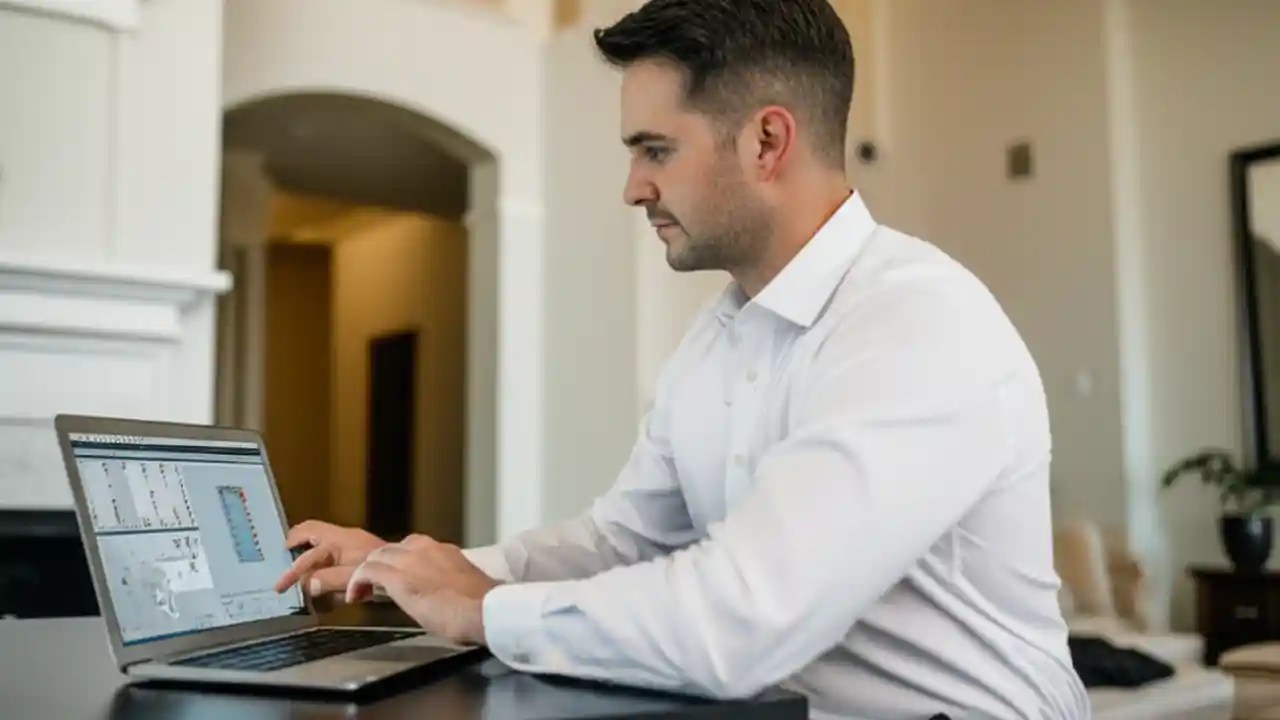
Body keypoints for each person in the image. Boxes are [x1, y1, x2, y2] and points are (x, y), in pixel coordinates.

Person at [275, 1, 1090, 717]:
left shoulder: (916, 321)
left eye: (654, 150)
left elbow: (742, 619)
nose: (632, 187)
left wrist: (482, 610)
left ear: (768, 140)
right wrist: (407, 570)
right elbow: (620, 544)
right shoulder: (718, 338)